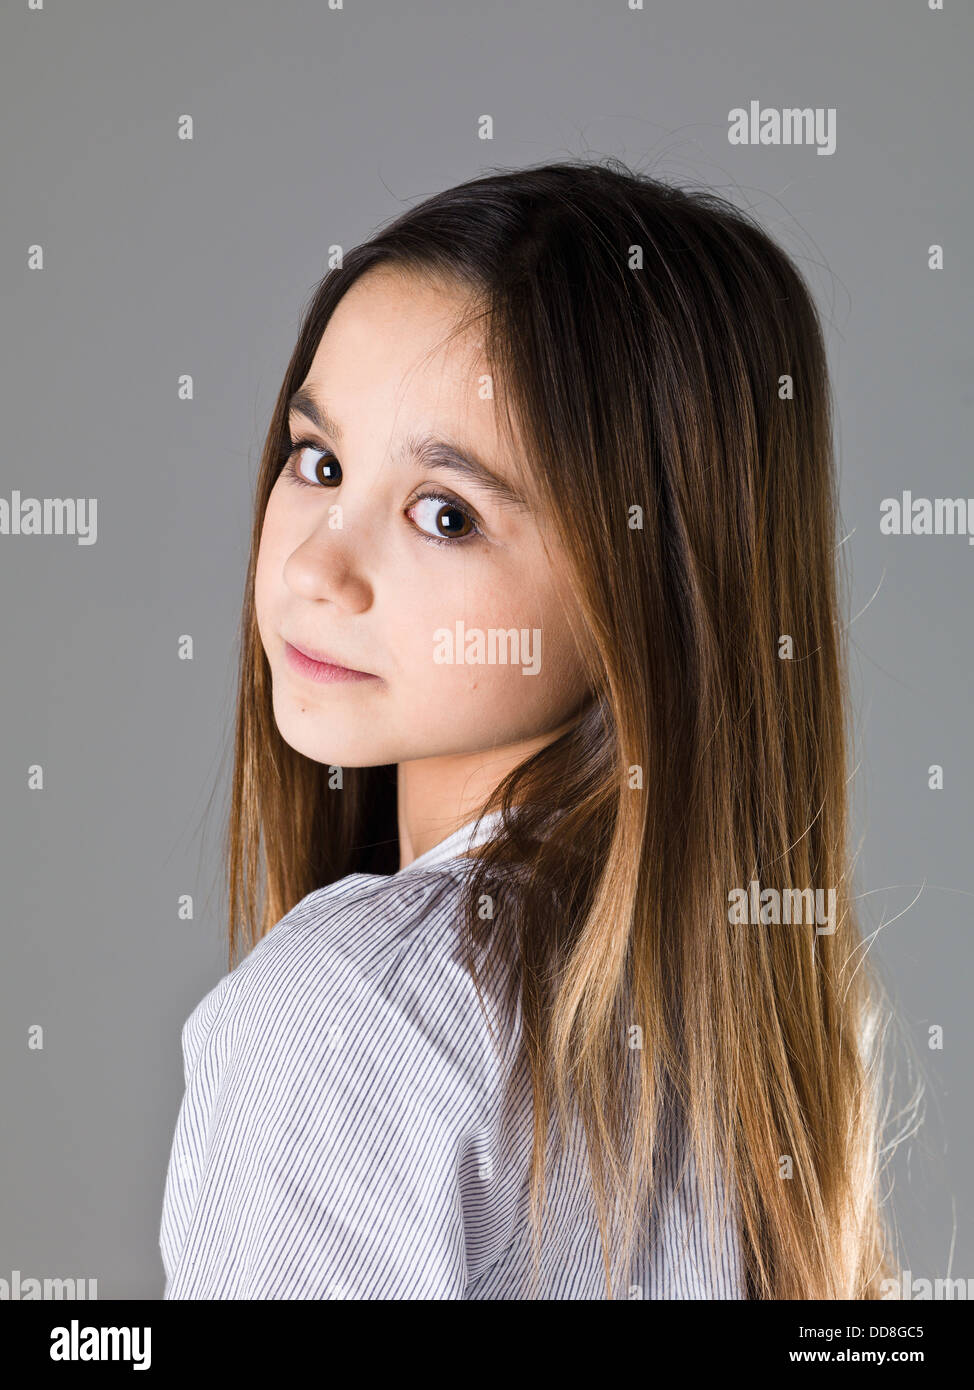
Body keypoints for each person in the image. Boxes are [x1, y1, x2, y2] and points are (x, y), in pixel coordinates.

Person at [160, 158, 894, 1299]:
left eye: (444, 513)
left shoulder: (347, 1021)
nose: (315, 566)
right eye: (319, 462)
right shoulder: (764, 1039)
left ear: (647, 590)